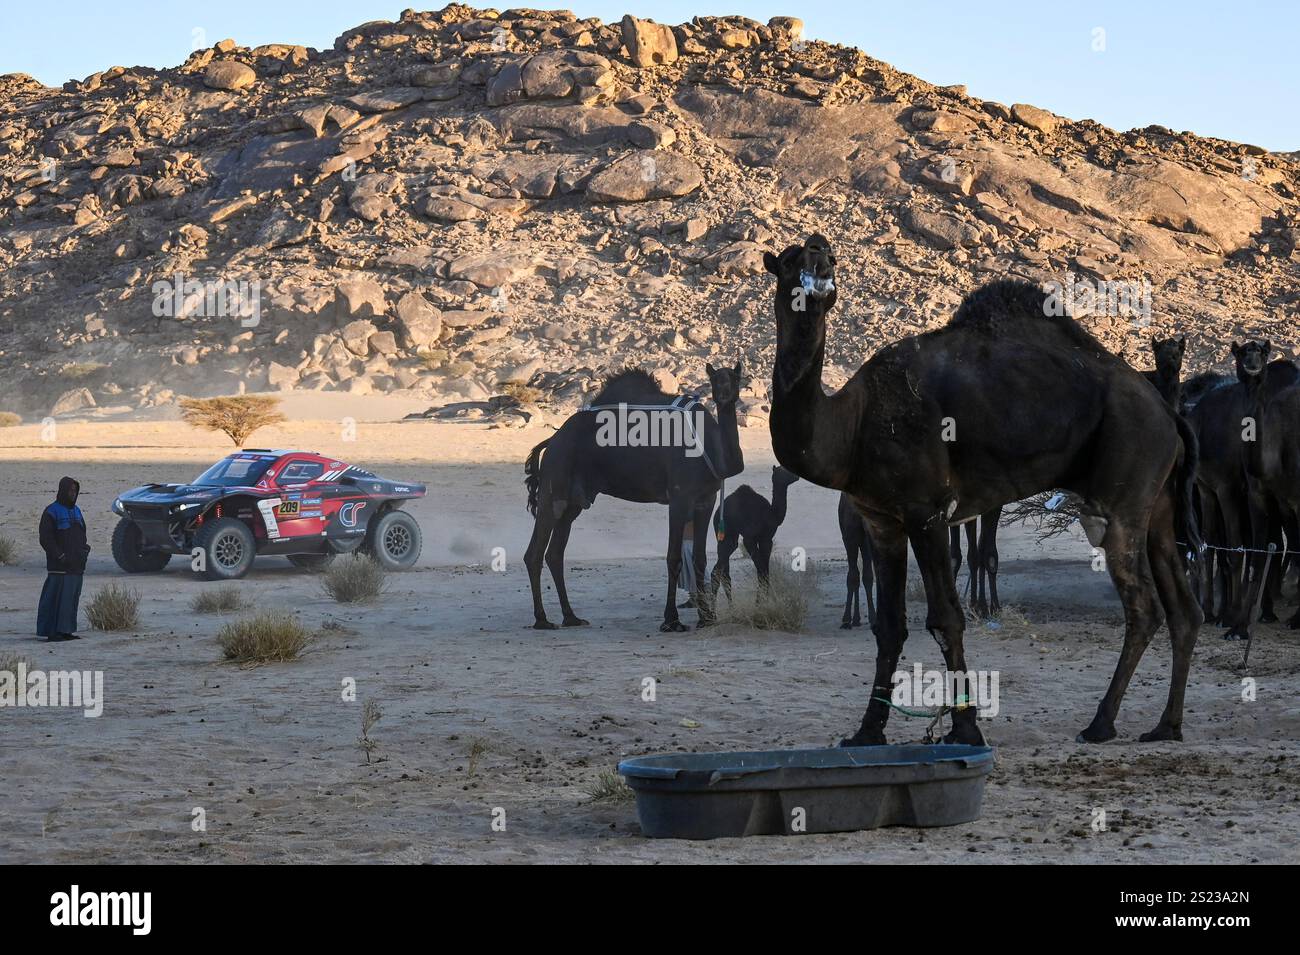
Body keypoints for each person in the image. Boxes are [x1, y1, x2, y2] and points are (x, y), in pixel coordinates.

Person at [37, 476, 89, 642]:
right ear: (62, 491)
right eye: (70, 491)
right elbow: (45, 538)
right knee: (54, 599)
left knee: (70, 600)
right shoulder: (51, 511)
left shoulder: (77, 511)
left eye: (75, 491)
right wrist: (60, 555)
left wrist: (84, 552)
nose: (73, 494)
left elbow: (83, 533)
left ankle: (66, 631)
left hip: (76, 566)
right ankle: (52, 632)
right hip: (59, 566)